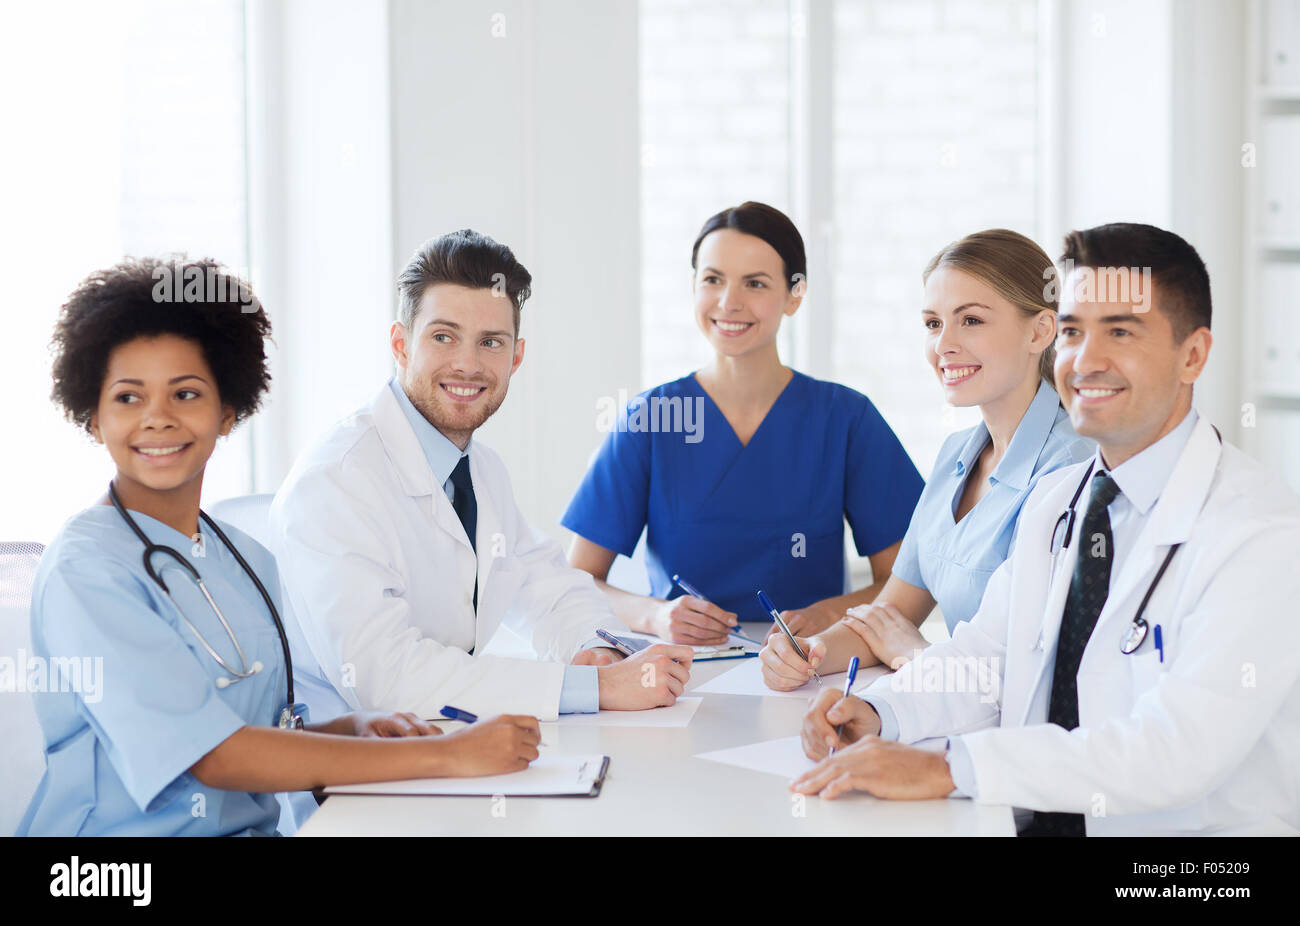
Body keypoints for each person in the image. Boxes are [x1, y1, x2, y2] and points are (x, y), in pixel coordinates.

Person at [791, 223, 1300, 836]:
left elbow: (1178, 748)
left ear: (1192, 354)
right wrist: (878, 711)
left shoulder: (1260, 534)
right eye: (1074, 331)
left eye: (1120, 331)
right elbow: (989, 655)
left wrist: (952, 768)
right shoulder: (1061, 500)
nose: (1085, 360)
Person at [18, 258, 542, 837]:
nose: (158, 419)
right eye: (127, 398)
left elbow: (263, 733)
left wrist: (348, 729)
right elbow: (214, 755)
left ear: (227, 412)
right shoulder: (87, 569)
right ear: (91, 417)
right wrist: (450, 753)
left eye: (186, 393)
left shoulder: (241, 556)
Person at [270, 230, 691, 724]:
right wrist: (591, 688)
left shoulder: (478, 468)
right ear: (401, 345)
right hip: (345, 780)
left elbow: (548, 588)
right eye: (443, 337)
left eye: (490, 342)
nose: (468, 364)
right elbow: (382, 678)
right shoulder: (336, 481)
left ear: (516, 357)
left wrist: (597, 651)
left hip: (447, 748)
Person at [563, 202, 923, 645]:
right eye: (712, 279)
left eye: (755, 283)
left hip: (811, 666)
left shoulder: (846, 419)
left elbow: (908, 582)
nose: (729, 302)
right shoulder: (651, 419)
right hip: (677, 673)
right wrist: (655, 616)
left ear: (795, 294)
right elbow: (577, 581)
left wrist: (827, 615)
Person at [761, 229, 1093, 690]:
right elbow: (893, 612)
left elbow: (1042, 673)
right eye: (933, 324)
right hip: (954, 715)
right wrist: (810, 654)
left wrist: (916, 655)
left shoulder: (1075, 468)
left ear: (1040, 330)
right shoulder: (957, 454)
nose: (944, 345)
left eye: (971, 320)